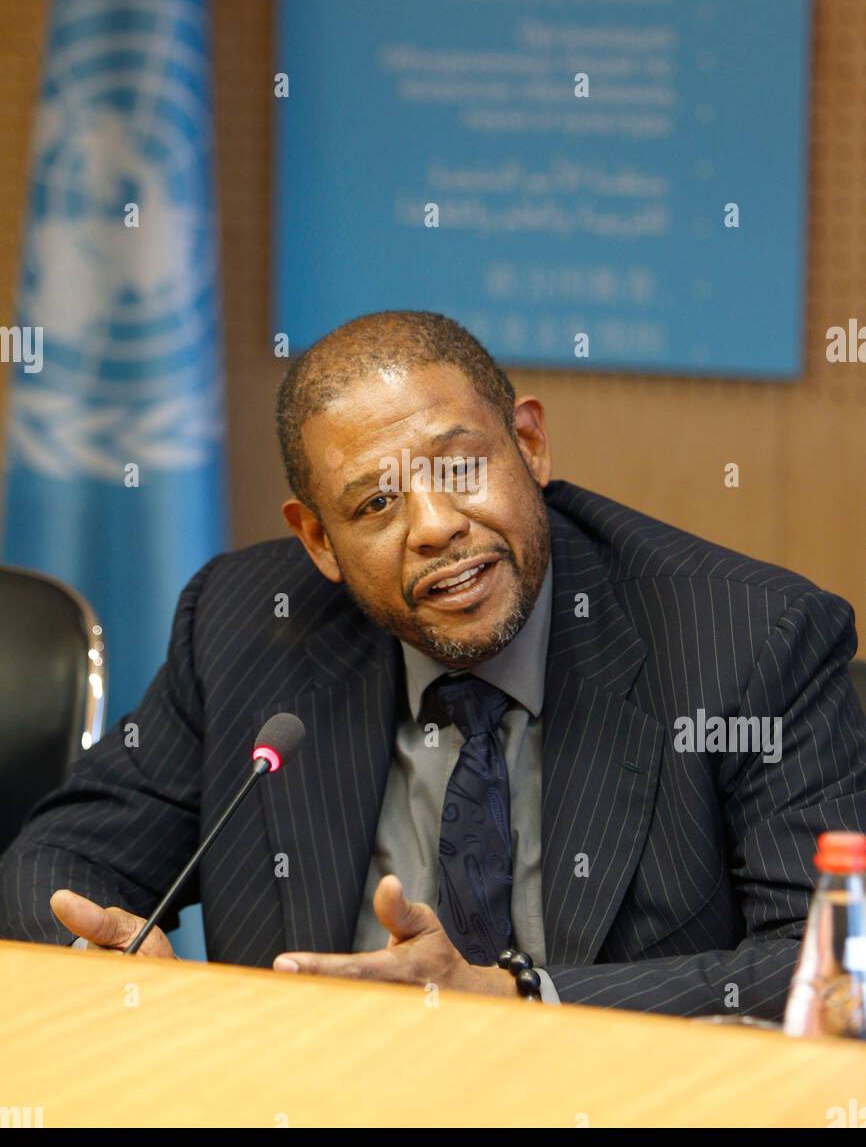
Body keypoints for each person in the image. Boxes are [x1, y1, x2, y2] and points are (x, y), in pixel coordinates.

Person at [2, 310, 865, 1015]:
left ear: (529, 445)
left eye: (458, 465)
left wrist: (518, 997)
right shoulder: (243, 624)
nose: (434, 525)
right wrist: (103, 950)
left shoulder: (747, 637)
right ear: (318, 541)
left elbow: (832, 963)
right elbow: (61, 855)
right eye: (377, 502)